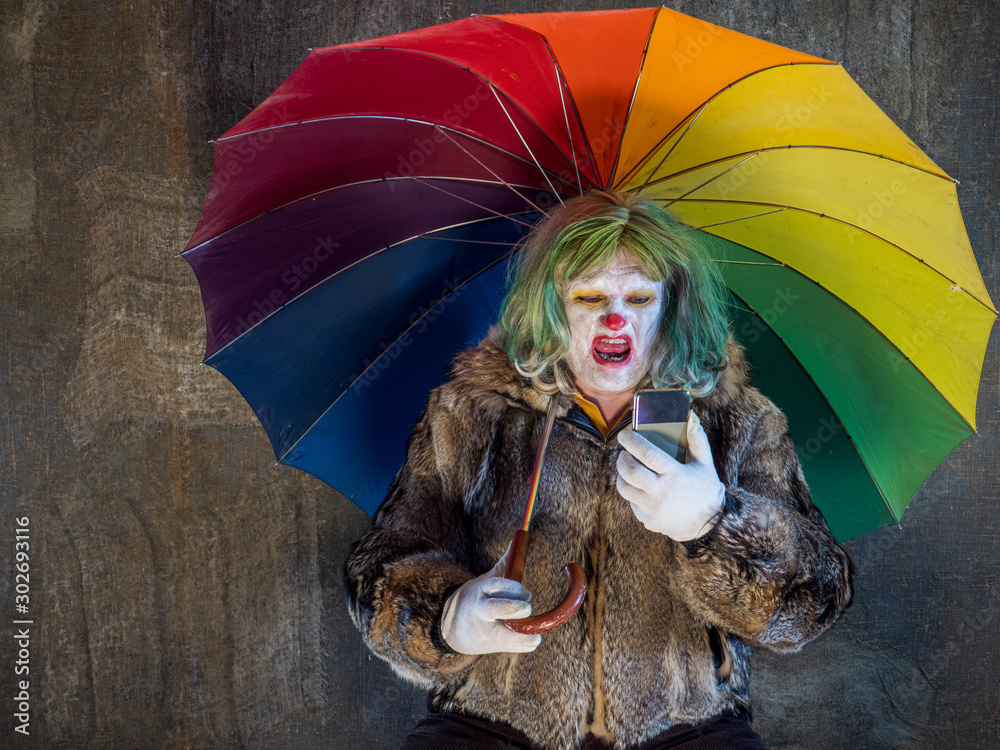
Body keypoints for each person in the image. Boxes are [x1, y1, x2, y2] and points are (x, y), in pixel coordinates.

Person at [344, 190, 853, 750]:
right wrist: (447, 619)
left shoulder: (741, 422)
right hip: (488, 726)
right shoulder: (468, 414)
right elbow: (381, 571)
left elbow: (813, 601)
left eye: (639, 296)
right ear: (551, 306)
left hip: (689, 731)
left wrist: (715, 523)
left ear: (672, 307)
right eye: (589, 295)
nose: (616, 318)